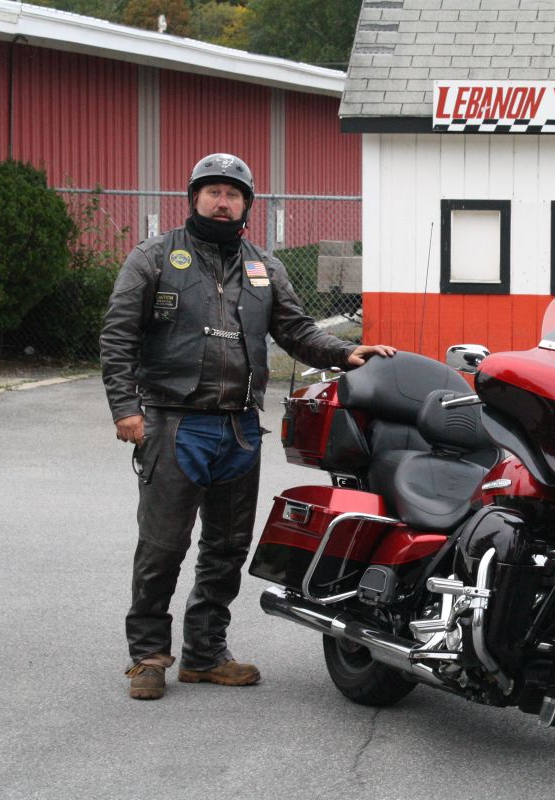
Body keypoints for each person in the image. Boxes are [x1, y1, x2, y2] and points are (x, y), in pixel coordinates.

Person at [101, 153, 395, 700]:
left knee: (228, 548)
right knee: (163, 546)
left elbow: (298, 332)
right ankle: (147, 655)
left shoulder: (266, 268)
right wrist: (126, 408)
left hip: (239, 429)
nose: (221, 200)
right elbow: (117, 337)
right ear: (193, 198)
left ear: (247, 206)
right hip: (173, 424)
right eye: (211, 191)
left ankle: (205, 654)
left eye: (232, 193)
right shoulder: (154, 257)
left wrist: (349, 351)